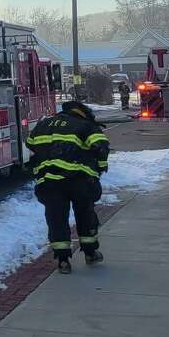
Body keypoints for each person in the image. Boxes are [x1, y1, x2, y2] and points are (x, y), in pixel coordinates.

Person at [27, 100, 109, 274]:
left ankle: (63, 261)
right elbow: (101, 146)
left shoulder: (44, 124)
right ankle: (90, 253)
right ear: (81, 111)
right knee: (85, 214)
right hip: (79, 180)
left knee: (56, 218)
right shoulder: (85, 125)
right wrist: (101, 167)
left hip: (49, 181)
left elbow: (30, 143)